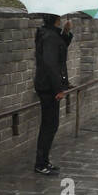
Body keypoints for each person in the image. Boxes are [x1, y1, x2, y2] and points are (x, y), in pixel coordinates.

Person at [33, 14, 73, 175]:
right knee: (49, 125)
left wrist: (66, 32)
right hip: (48, 87)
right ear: (55, 18)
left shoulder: (50, 33)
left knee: (50, 124)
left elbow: (61, 48)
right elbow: (50, 64)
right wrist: (58, 89)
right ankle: (40, 163)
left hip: (48, 85)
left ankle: (44, 161)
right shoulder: (49, 36)